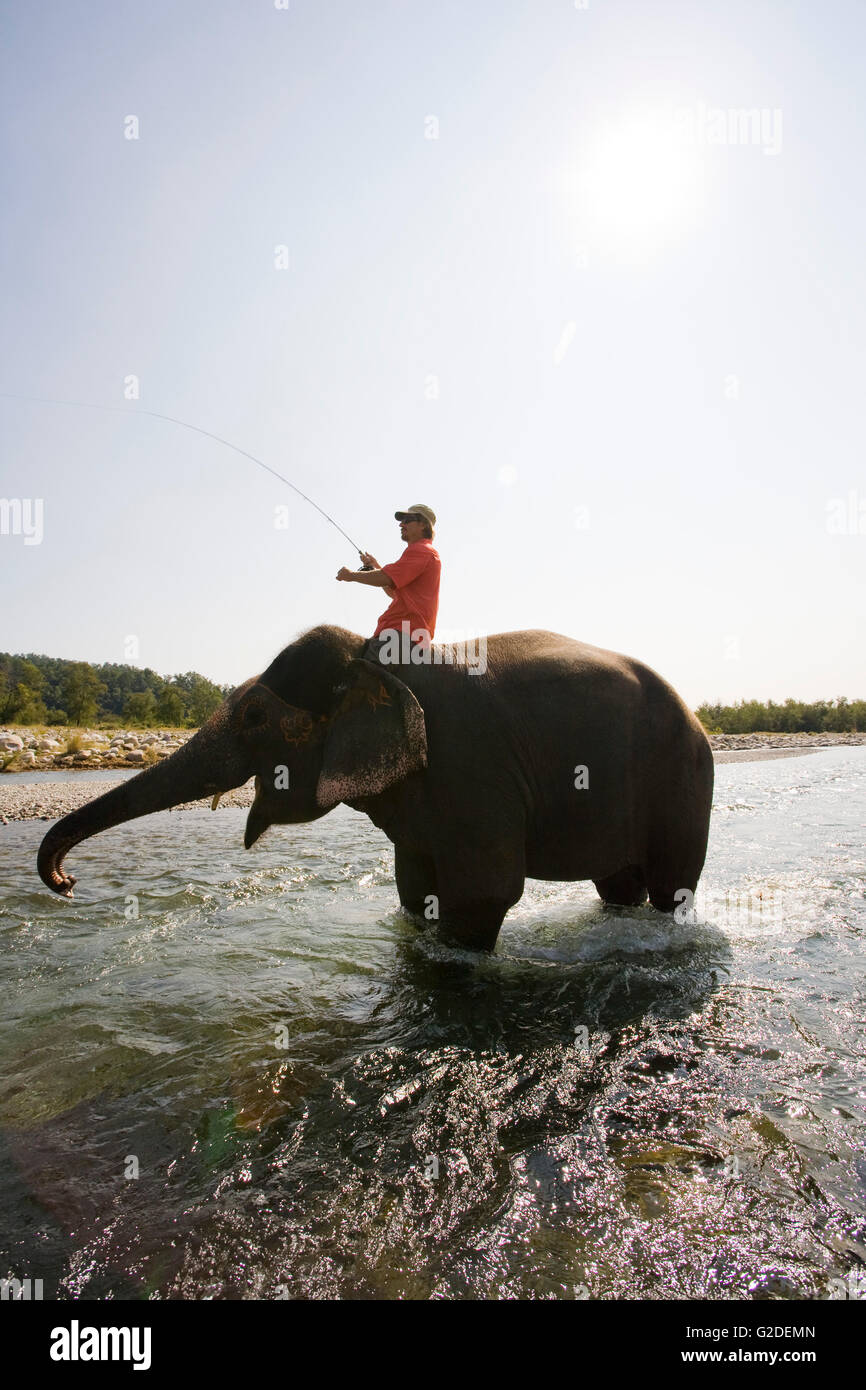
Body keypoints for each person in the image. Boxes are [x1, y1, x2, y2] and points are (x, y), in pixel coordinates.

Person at [336, 504, 440, 663]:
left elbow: (387, 578)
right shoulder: (422, 552)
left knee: (363, 679)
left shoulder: (421, 551)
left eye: (408, 520)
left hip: (402, 633)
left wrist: (351, 575)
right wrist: (375, 568)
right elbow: (394, 591)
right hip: (404, 633)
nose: (401, 524)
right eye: (402, 520)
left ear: (423, 524)